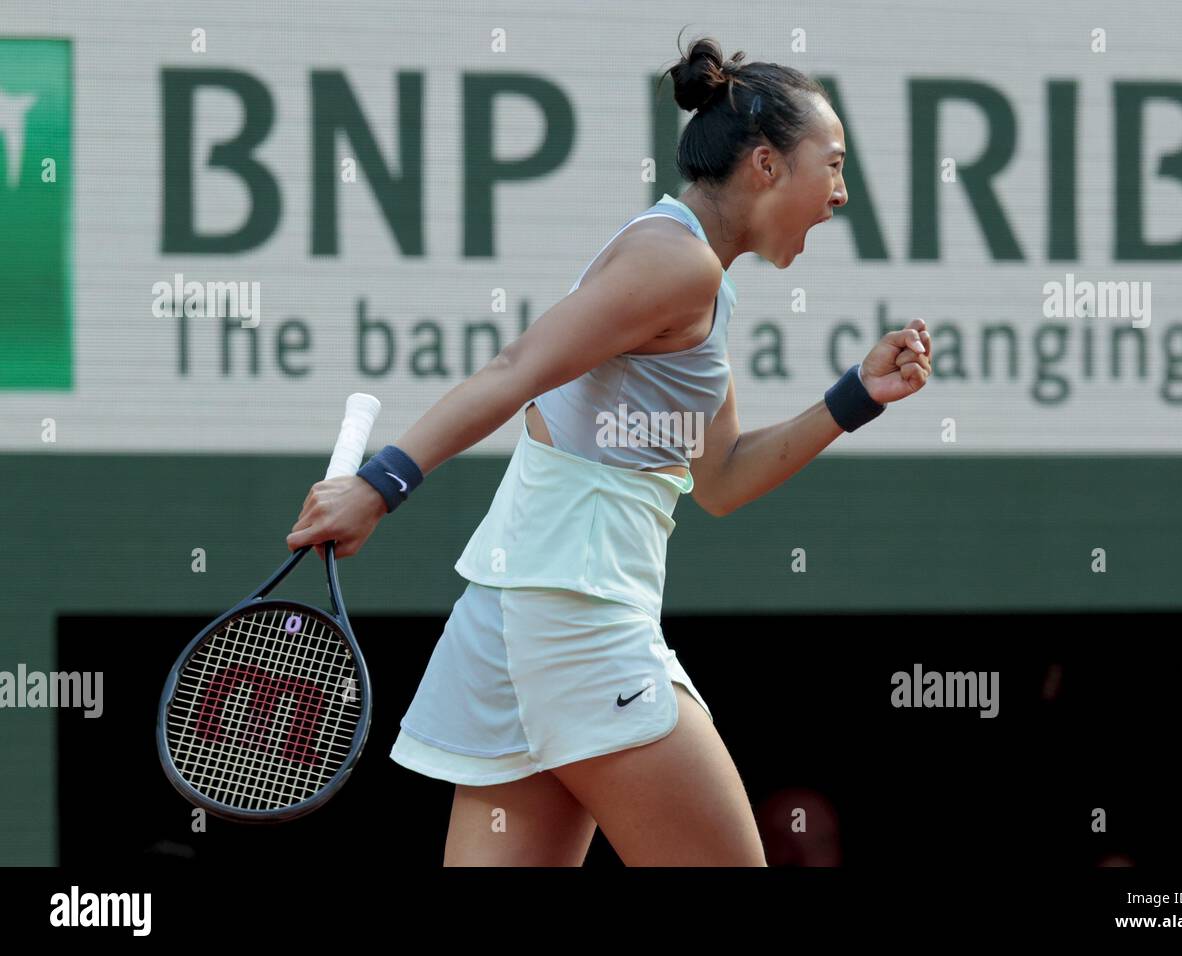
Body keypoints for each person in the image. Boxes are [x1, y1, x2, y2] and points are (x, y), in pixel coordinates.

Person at [286, 34, 931, 866]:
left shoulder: (695, 276)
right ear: (766, 165)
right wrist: (380, 484)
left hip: (529, 613)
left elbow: (721, 480)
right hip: (576, 616)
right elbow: (516, 367)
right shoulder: (678, 265)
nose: (841, 194)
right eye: (832, 165)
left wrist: (854, 398)